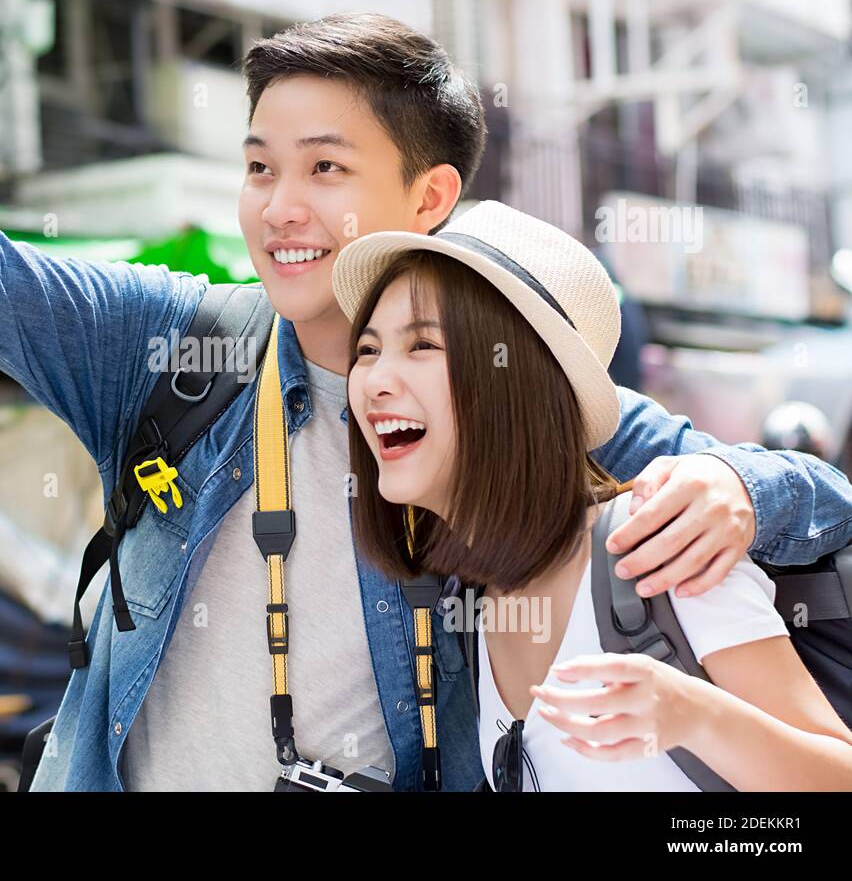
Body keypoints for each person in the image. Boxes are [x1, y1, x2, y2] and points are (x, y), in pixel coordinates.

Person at [0, 9, 852, 791]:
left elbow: (806, 503)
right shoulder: (179, 349)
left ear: (429, 196)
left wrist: (740, 482)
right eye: (260, 166)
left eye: (326, 169)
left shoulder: (516, 392)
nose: (278, 207)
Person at [337, 202, 852, 790]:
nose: (375, 380)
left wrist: (695, 715)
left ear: (517, 384)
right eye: (369, 350)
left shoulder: (656, 542)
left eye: (423, 346)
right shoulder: (470, 602)